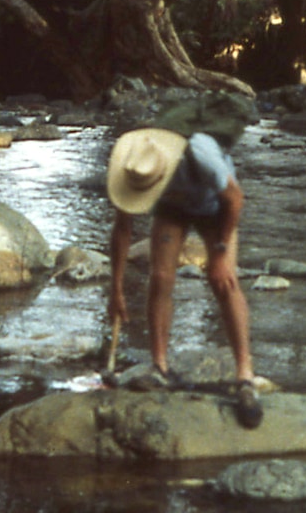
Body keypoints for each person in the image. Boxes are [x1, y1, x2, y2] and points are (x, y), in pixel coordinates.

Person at [106, 126, 263, 429]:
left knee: (225, 281)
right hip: (173, 209)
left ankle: (245, 374)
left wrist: (218, 254)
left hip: (215, 207)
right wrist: (116, 290)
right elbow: (122, 230)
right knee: (160, 277)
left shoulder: (200, 154)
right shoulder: (132, 165)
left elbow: (235, 199)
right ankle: (159, 367)